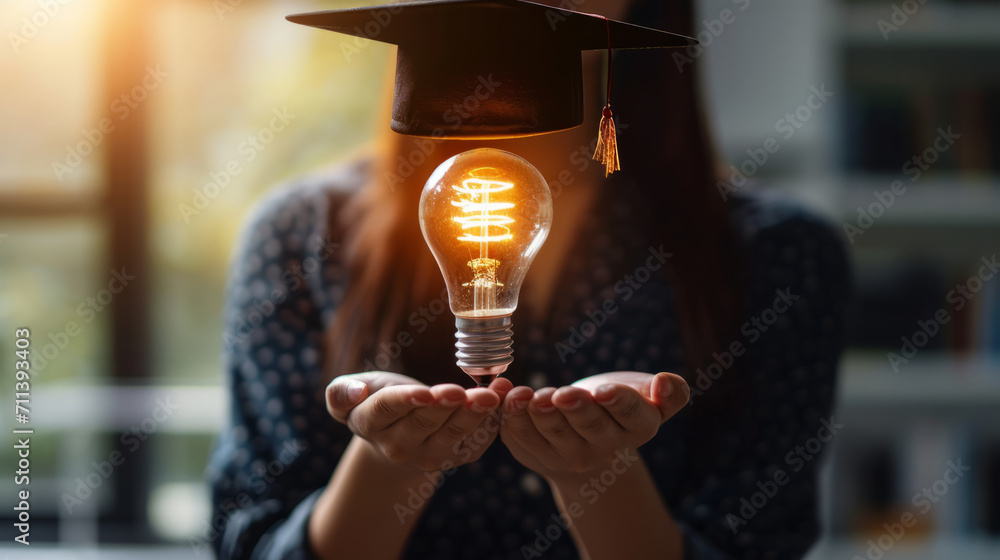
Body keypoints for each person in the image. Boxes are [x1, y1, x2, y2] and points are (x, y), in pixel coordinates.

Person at [205, 0, 851, 558]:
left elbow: (753, 543)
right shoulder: (301, 238)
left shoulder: (778, 255)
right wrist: (386, 462)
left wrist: (598, 475)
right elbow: (252, 540)